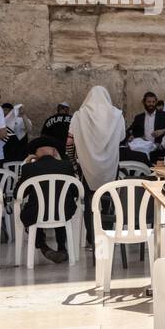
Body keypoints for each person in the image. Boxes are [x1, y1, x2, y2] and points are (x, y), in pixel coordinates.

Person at [69, 86, 125, 247]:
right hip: (110, 164)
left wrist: (73, 162)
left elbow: (70, 143)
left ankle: (91, 238)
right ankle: (106, 234)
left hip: (86, 165)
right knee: (108, 200)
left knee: (89, 202)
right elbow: (121, 137)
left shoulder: (79, 116)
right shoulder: (116, 115)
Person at [15, 136, 79, 264]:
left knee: (35, 208)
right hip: (64, 213)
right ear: (54, 151)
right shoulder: (66, 166)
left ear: (35, 154)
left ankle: (43, 246)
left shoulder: (29, 168)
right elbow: (75, 192)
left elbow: (18, 194)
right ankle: (62, 247)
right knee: (59, 205)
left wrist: (27, 165)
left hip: (37, 214)